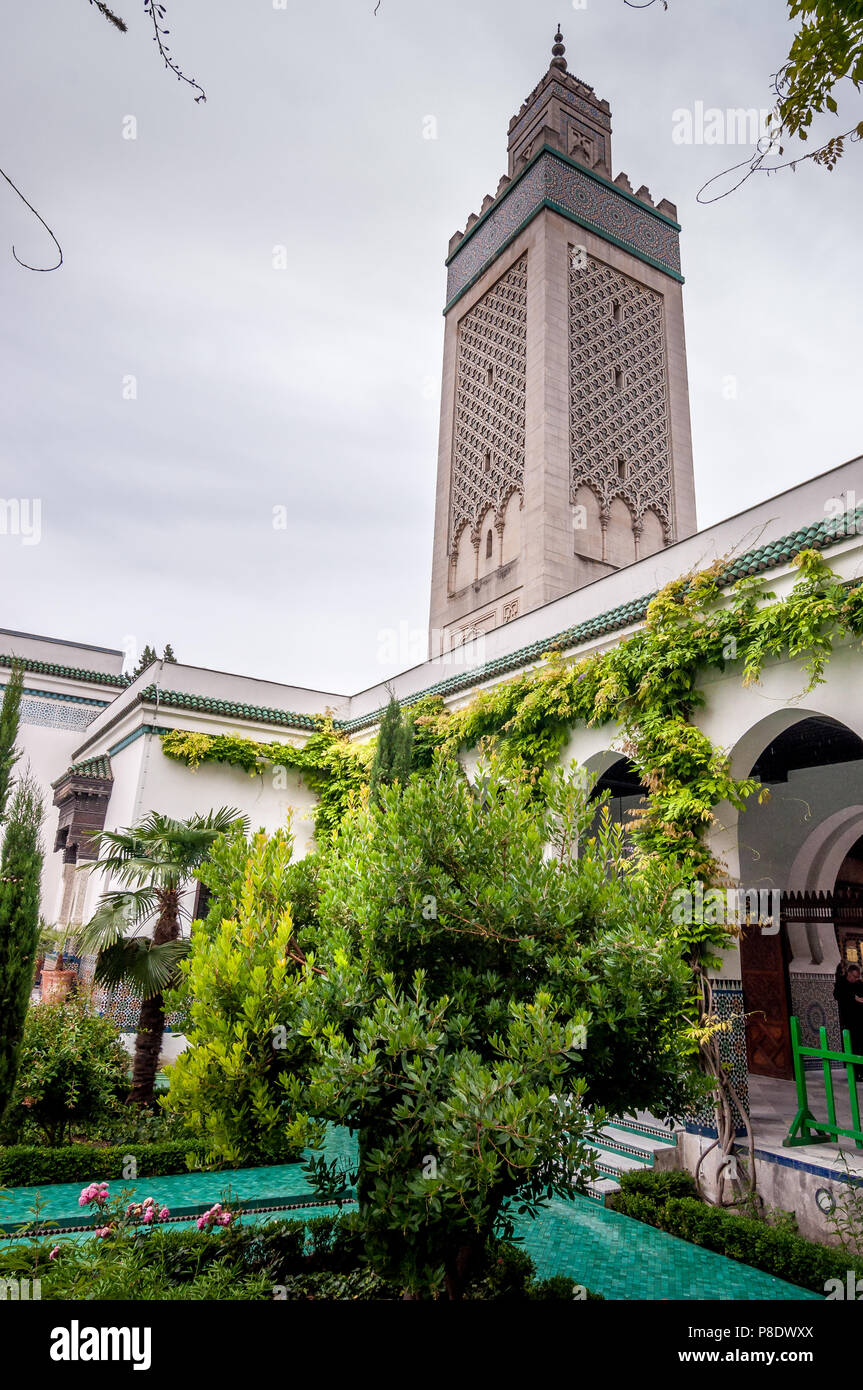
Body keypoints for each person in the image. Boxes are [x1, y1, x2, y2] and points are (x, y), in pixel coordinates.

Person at [834, 963, 863, 1072]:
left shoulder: (859, 984)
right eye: (854, 976)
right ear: (849, 974)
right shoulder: (841, 983)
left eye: (857, 977)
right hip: (849, 1020)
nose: (856, 979)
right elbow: (837, 995)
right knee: (853, 1045)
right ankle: (855, 1071)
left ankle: (861, 1069)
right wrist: (853, 998)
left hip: (860, 1020)